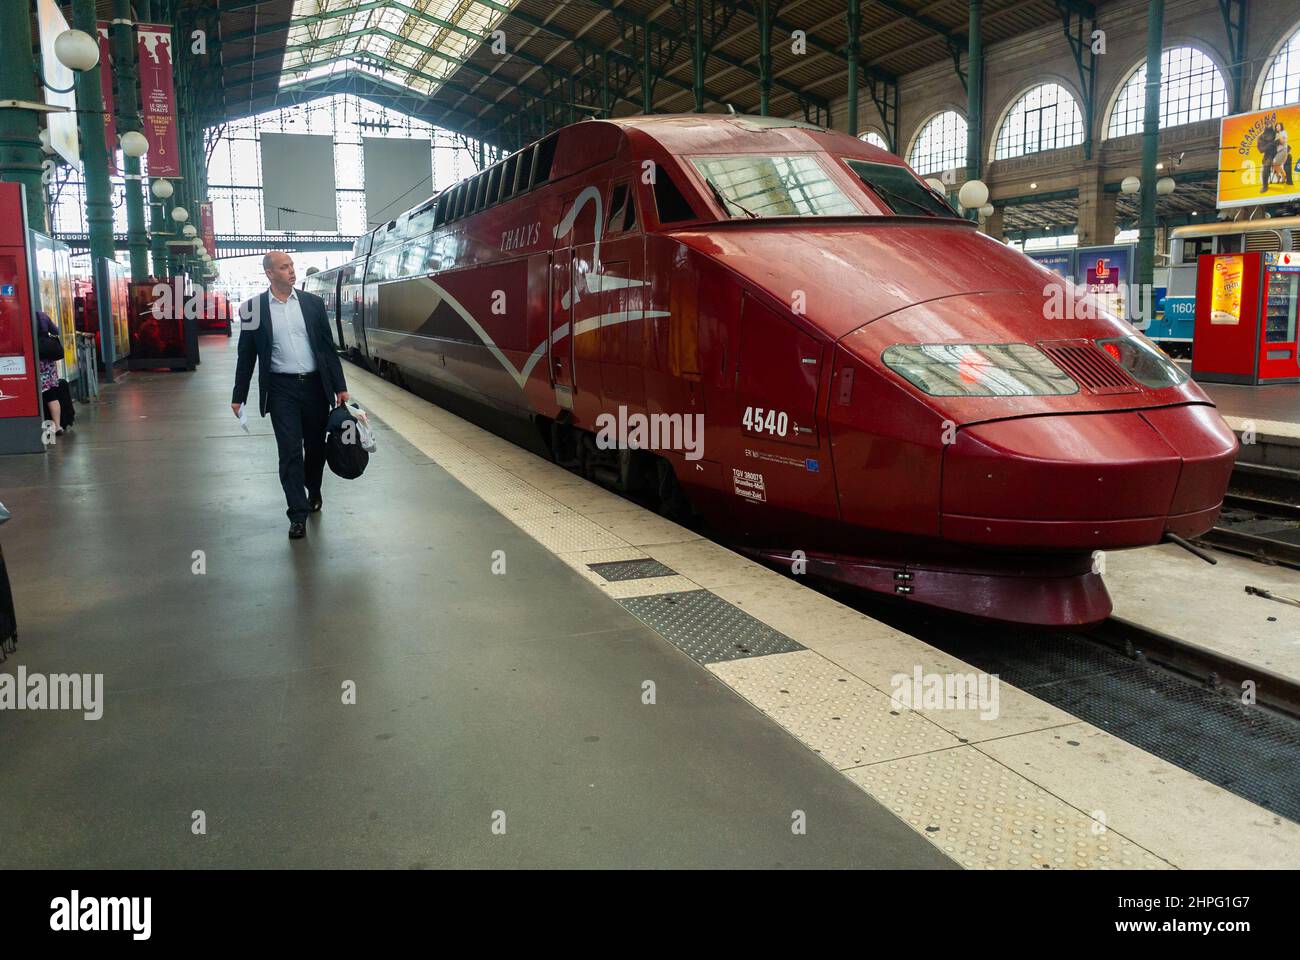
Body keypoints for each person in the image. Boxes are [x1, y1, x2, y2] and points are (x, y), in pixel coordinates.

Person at [231, 252, 349, 540]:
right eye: (284, 268)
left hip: (314, 386)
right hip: (281, 389)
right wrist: (239, 395)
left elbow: (326, 349)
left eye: (292, 266)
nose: (291, 272)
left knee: (315, 448)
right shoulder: (253, 309)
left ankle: (314, 487)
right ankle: (297, 514)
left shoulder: (312, 304)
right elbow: (246, 356)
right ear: (270, 273)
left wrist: (340, 386)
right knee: (290, 451)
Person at [36, 310, 63, 435]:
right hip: (47, 359)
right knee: (50, 394)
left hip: (35, 359)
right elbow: (56, 331)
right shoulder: (42, 315)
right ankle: (57, 426)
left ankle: (39, 425)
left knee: (38, 394)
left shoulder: (21, 316)